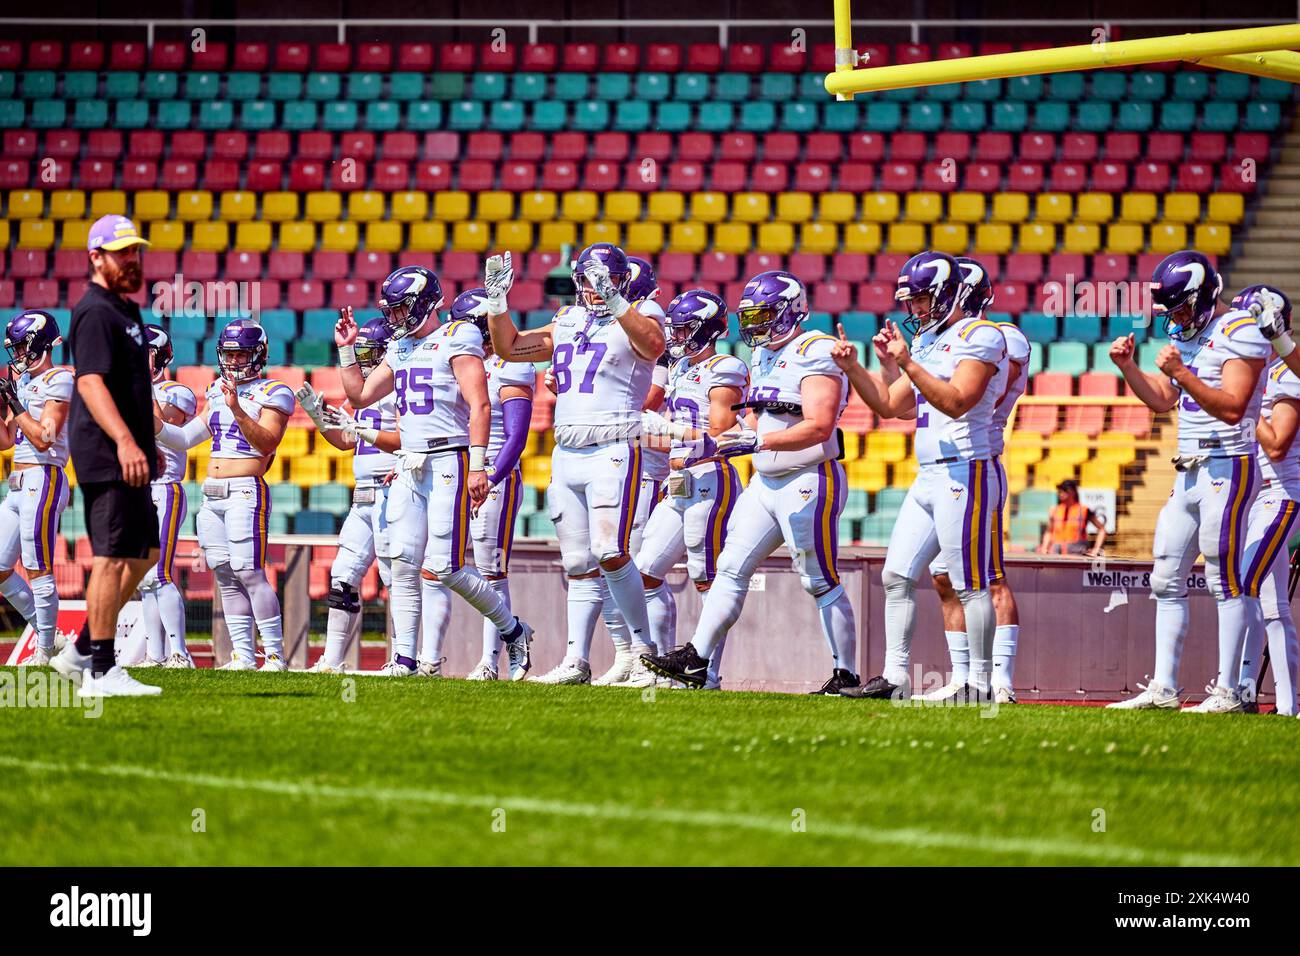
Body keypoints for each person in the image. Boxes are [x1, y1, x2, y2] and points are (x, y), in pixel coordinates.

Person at [640, 270, 861, 694]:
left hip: (809, 476)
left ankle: (846, 674)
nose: (755, 324)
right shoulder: (762, 356)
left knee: (818, 578)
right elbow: (760, 415)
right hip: (766, 480)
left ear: (788, 312)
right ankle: (698, 661)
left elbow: (819, 425)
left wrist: (756, 439)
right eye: (750, 315)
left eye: (762, 314)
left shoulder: (815, 350)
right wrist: (724, 436)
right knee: (728, 567)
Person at [336, 266, 535, 677]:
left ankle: (513, 630)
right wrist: (347, 351)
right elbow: (359, 395)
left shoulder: (457, 336)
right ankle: (406, 660)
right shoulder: (400, 347)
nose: (393, 319)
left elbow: (480, 405)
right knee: (404, 561)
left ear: (424, 303)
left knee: (445, 567)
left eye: (400, 309)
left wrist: (479, 466)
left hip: (449, 459)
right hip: (410, 462)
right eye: (389, 311)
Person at [831, 251, 1007, 702]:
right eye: (912, 301)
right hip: (929, 475)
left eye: (924, 299)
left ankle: (980, 684)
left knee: (969, 584)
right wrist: (854, 367)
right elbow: (889, 406)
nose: (916, 310)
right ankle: (895, 678)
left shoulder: (981, 335)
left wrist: (908, 362)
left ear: (951, 296)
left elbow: (957, 401)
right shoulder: (932, 342)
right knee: (897, 574)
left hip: (966, 470)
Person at [487, 244, 664, 685]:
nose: (593, 288)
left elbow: (654, 345)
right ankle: (580, 660)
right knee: (578, 562)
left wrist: (618, 300)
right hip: (568, 451)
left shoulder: (644, 311)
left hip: (614, 446)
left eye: (601, 279)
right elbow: (509, 347)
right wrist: (496, 302)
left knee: (610, 551)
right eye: (587, 279)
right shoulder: (569, 320)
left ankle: (645, 653)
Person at [1108, 251, 1269, 713]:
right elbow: (1162, 400)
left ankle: (1232, 691)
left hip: (1228, 464)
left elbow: (1234, 406)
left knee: (1224, 577)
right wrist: (1129, 368)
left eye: (1180, 307)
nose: (1175, 318)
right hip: (1189, 470)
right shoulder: (1192, 334)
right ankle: (1163, 687)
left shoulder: (1240, 331)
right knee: (1165, 575)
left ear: (1202, 298)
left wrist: (1180, 371)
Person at [50, 214, 161, 697]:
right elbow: (89, 380)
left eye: (135, 251)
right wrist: (124, 441)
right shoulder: (94, 310)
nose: (132, 259)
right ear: (96, 258)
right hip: (107, 454)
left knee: (144, 555)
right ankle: (100, 670)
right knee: (113, 558)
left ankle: (78, 651)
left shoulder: (126, 310)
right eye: (122, 253)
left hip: (130, 455)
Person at [154, 319, 293, 671]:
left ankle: (275, 655)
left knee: (249, 571)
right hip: (212, 496)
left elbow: (267, 442)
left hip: (245, 491)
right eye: (228, 354)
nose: (232, 361)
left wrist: (236, 408)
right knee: (225, 575)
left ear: (258, 355)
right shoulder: (216, 390)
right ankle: (243, 656)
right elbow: (184, 439)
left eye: (240, 353)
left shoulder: (274, 391)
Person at [924, 257, 1028, 705]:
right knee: (945, 577)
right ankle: (962, 678)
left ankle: (999, 679)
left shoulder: (998, 337)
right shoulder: (944, 342)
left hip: (977, 461)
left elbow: (990, 393)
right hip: (940, 466)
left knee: (988, 578)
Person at [632, 289, 748, 689]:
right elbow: (673, 438)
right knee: (645, 570)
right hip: (679, 482)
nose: (678, 336)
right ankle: (663, 667)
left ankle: (705, 671)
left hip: (712, 479)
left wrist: (673, 435)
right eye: (675, 329)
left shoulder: (725, 368)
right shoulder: (680, 368)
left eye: (685, 329)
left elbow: (721, 432)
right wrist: (648, 436)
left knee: (706, 577)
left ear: (708, 330)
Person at [295, 316, 400, 674]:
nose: (367, 361)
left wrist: (362, 430)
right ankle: (332, 660)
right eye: (362, 353)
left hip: (393, 491)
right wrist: (319, 418)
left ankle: (405, 659)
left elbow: (408, 439)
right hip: (363, 497)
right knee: (342, 576)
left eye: (372, 352)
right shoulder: (363, 394)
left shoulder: (402, 387)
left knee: (395, 579)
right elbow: (346, 441)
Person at [1234, 286, 1300, 716]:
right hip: (1260, 498)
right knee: (1274, 607)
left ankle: (1236, 691)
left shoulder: (1286, 374)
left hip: (1283, 495)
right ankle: (1288, 707)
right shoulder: (1261, 374)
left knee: (1242, 586)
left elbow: (1276, 445)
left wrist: (1244, 407)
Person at [0, 310, 72, 667]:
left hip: (44, 477)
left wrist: (14, 402)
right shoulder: (27, 384)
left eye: (23, 347)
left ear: (42, 344)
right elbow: (5, 441)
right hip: (17, 483)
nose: (19, 355)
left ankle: (43, 651)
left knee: (36, 565)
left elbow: (45, 438)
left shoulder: (60, 379)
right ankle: (49, 635)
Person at [135, 325, 197, 668]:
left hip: (165, 488)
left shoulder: (177, 392)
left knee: (159, 573)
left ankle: (179, 653)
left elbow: (161, 426)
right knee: (145, 580)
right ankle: (154, 654)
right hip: (137, 490)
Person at [1039, 479, 1106, 556]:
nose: (1060, 493)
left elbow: (1102, 530)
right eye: (1059, 491)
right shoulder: (1054, 510)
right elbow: (1049, 531)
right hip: (1056, 555)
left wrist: (1096, 549)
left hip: (1077, 556)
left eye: (1063, 490)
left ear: (1072, 492)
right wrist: (1044, 547)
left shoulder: (1084, 510)